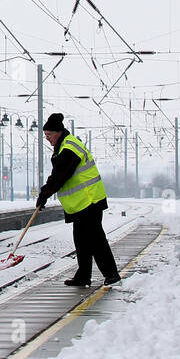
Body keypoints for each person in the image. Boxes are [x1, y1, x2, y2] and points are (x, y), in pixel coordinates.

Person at [36, 113, 120, 286]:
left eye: (49, 135)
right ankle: (83, 276)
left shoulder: (69, 148)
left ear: (58, 132)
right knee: (82, 239)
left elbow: (61, 175)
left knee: (95, 239)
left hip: (89, 200)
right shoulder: (63, 146)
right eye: (46, 136)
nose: (48, 139)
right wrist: (45, 193)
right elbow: (59, 175)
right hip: (81, 204)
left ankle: (112, 275)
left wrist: (45, 193)